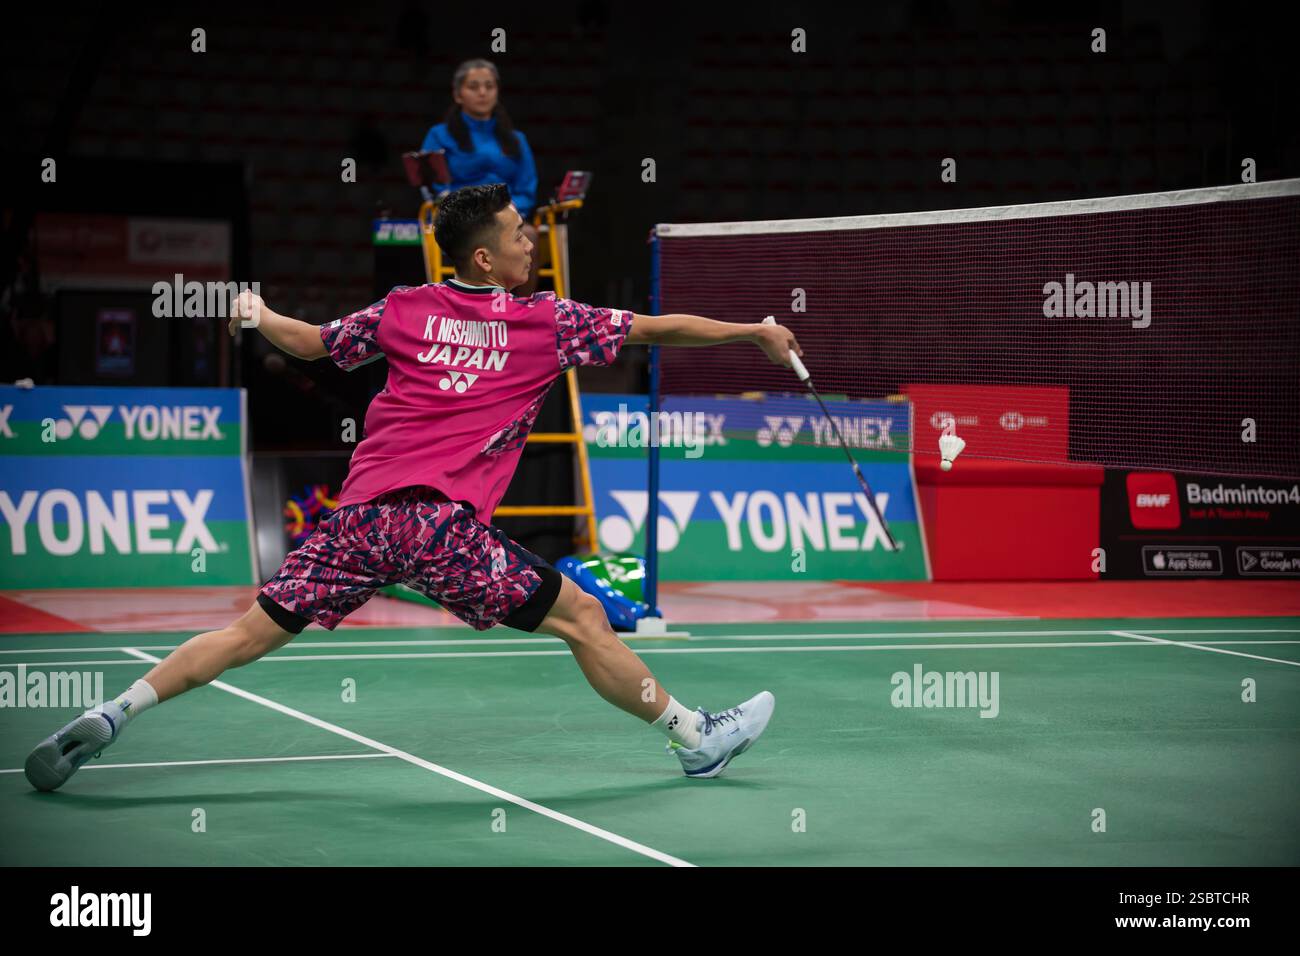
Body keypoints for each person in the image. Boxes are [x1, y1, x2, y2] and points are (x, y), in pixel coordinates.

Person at [24, 183, 803, 793]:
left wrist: (258, 313)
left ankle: (112, 711)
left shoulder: (404, 310)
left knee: (244, 635)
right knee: (585, 616)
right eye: (518, 233)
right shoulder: (545, 320)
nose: (531, 238)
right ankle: (696, 739)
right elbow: (654, 328)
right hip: (439, 526)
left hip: (359, 519)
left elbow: (312, 345)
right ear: (486, 261)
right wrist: (754, 333)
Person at [422, 59, 541, 295]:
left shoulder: (517, 139)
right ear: (458, 94)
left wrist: (507, 213)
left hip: (506, 218)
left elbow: (527, 188)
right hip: (461, 218)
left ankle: (523, 313)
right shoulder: (439, 136)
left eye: (489, 86)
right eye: (474, 86)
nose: (483, 92)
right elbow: (433, 184)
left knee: (529, 235)